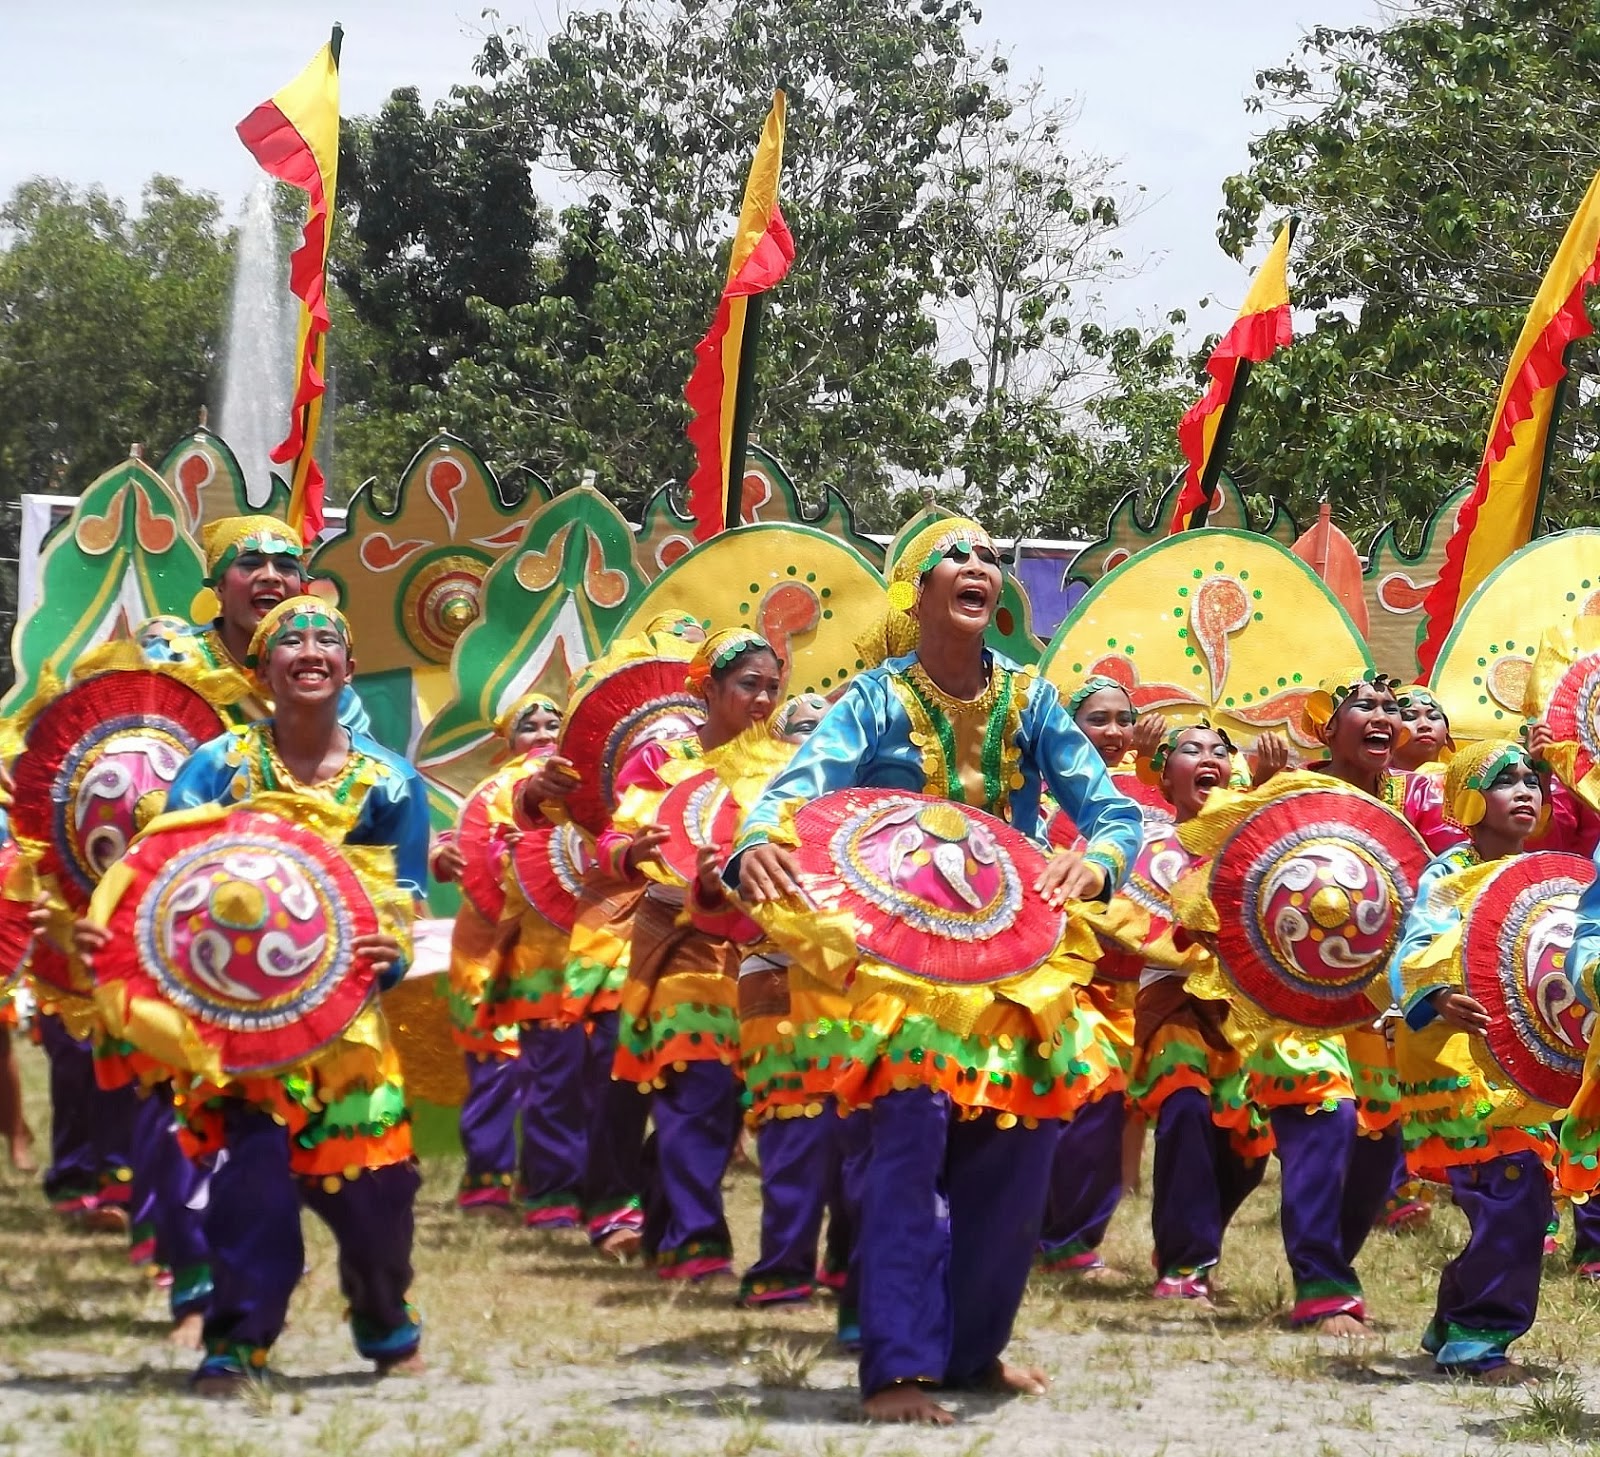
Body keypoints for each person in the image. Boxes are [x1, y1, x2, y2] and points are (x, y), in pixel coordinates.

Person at [733, 516, 1142, 1425]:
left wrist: (1098, 860)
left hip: (1011, 966)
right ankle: (896, 1368)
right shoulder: (872, 701)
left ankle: (970, 1351)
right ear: (915, 591)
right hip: (897, 969)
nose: (980, 567)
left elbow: (1112, 812)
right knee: (907, 1154)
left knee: (1016, 1154)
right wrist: (757, 840)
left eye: (993, 558)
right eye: (957, 555)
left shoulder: (1032, 701)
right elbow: (795, 791)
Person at [83, 596, 429, 1393]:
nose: (310, 650)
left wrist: (395, 946)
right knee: (253, 1193)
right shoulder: (219, 766)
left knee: (376, 1199)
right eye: (290, 640)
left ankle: (383, 1311)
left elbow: (405, 892)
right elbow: (164, 871)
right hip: (241, 1024)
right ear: (261, 668)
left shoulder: (392, 782)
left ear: (348, 667)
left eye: (327, 640)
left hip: (348, 1029)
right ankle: (237, 1343)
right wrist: (117, 938)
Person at [600, 629, 783, 1280]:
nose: (762, 699)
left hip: (762, 943)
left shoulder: (787, 766)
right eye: (747, 685)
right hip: (680, 937)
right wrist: (637, 848)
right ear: (708, 689)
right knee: (699, 1081)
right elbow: (614, 848)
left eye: (771, 686)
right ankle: (696, 1242)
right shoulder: (664, 761)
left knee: (728, 1096)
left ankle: (660, 1218)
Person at [1389, 739, 1556, 1381]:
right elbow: (1415, 949)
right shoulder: (1446, 873)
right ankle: (1478, 1339)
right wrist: (1437, 992)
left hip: (1519, 1066)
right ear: (1466, 798)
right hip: (1456, 1063)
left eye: (1534, 780)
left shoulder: (1544, 874)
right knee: (1515, 1192)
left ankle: (1457, 1312)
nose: (1526, 791)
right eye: (1505, 780)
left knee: (1517, 1196)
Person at [1103, 722, 1277, 1306]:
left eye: (1221, 751)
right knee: (1184, 1108)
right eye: (1191, 750)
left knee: (1250, 1143)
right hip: (1171, 996)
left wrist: (1275, 788)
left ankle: (1194, 1236)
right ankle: (1183, 1262)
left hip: (1241, 1006)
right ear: (1164, 774)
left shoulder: (1257, 848)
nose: (1210, 759)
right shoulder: (1147, 840)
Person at [1036, 675, 1168, 1276]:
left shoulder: (1153, 805)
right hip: (1066, 980)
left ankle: (1063, 1237)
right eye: (1097, 719)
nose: (1113, 732)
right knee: (1092, 1098)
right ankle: (1061, 1239)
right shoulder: (1041, 801)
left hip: (1137, 987)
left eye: (1122, 719)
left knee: (1111, 1109)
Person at [432, 693, 564, 1214]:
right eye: (529, 726)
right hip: (485, 949)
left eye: (553, 722)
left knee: (552, 1073)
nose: (542, 732)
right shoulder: (486, 796)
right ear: (508, 743)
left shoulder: (576, 796)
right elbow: (453, 847)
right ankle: (486, 1179)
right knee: (494, 1067)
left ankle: (544, 1178)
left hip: (548, 950)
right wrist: (442, 854)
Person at [138, 514, 369, 733]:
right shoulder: (171, 662)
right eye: (250, 564)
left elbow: (364, 766)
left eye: (286, 566)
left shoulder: (319, 674)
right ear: (219, 585)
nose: (271, 576)